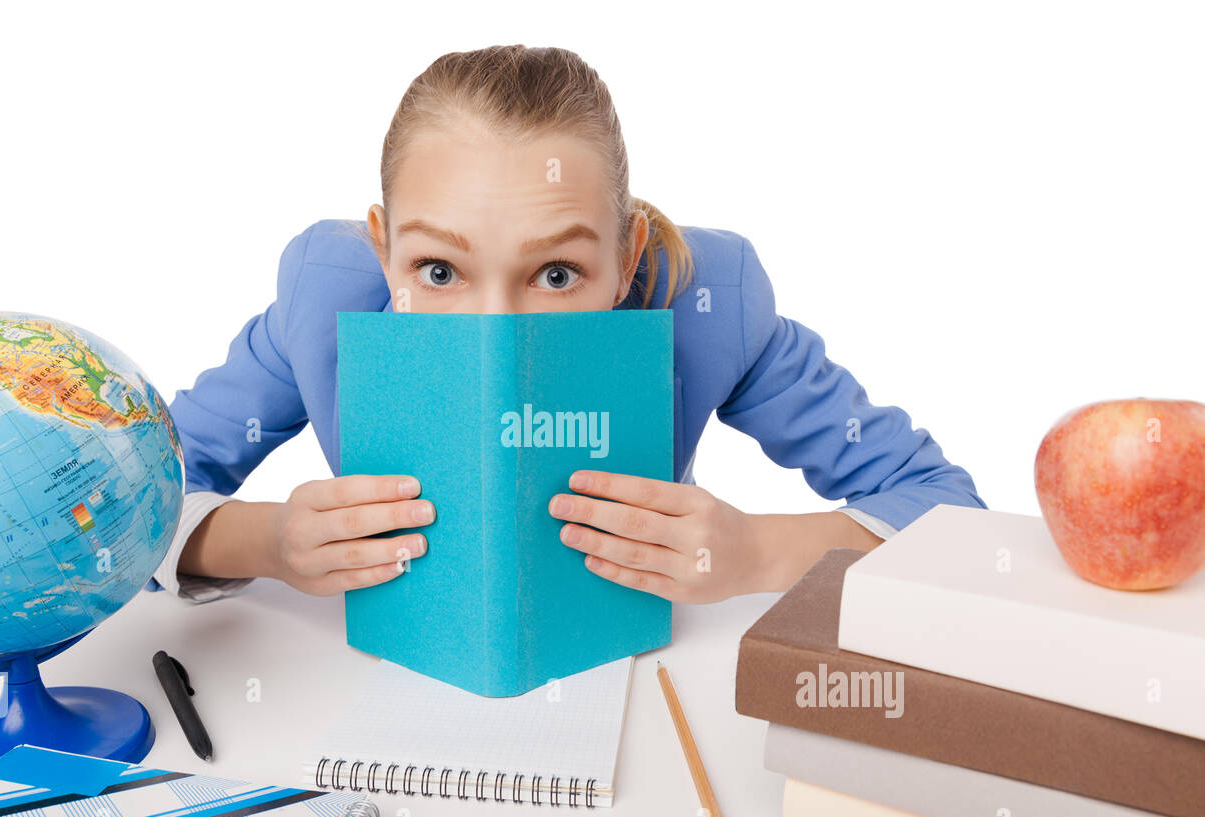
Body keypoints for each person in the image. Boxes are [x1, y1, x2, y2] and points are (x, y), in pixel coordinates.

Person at [148, 44, 985, 607]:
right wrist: (264, 540)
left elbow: (946, 514)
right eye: (438, 271)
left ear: (627, 259)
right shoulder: (322, 298)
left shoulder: (709, 304)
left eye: (556, 274)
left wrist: (754, 553)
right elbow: (134, 499)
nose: (498, 340)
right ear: (385, 250)